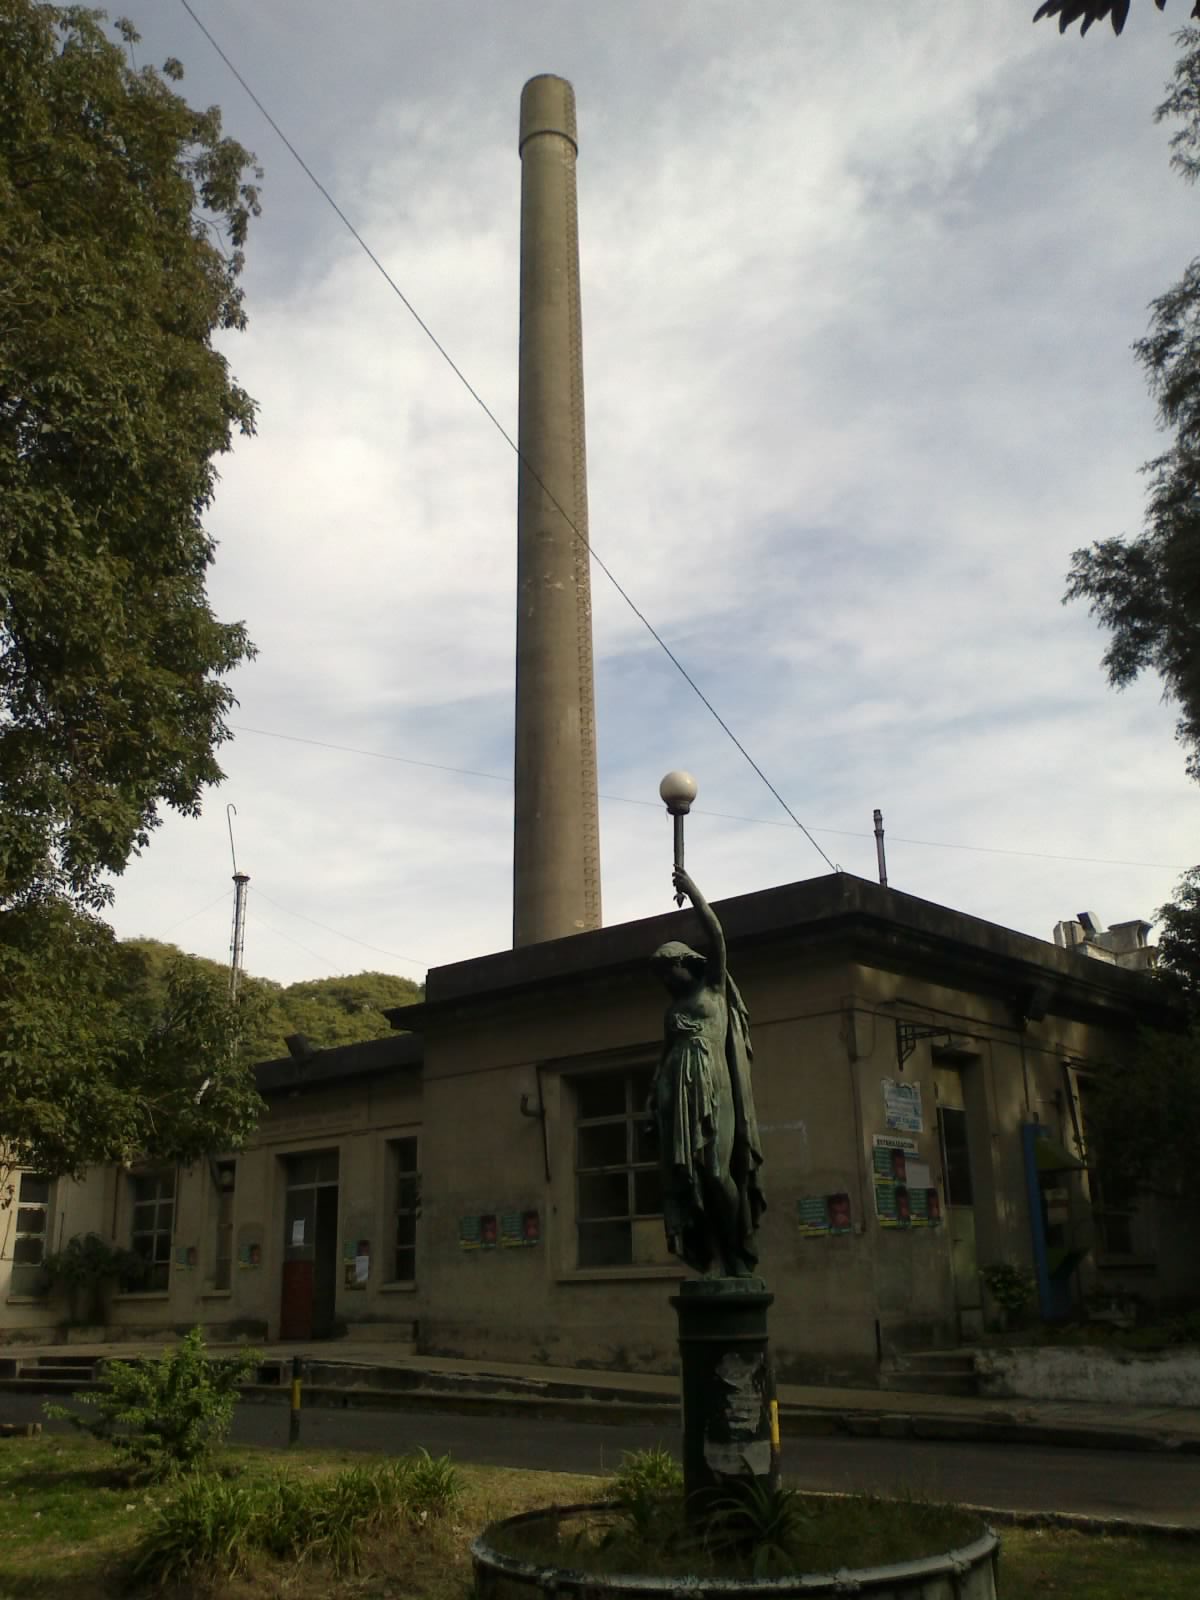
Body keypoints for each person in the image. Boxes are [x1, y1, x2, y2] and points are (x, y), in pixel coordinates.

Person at [650, 865, 766, 1277]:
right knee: (689, 1179)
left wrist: (693, 891)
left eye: (669, 970)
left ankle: (738, 1248)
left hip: (712, 1090)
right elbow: (664, 1058)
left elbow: (717, 936)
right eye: (659, 975)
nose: (665, 980)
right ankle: (715, 1252)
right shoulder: (672, 1012)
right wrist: (653, 1098)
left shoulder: (712, 989)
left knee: (717, 1173)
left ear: (686, 963)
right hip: (676, 1099)